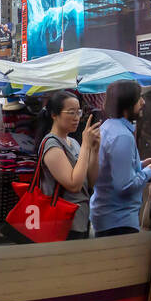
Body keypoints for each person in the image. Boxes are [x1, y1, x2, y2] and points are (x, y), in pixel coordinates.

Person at [90, 80, 151, 237]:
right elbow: (125, 186)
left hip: (108, 218)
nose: (143, 102)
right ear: (127, 103)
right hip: (118, 222)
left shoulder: (109, 127)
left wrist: (141, 165)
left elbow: (111, 170)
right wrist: (149, 172)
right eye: (139, 98)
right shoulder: (122, 136)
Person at [38, 92, 100, 240]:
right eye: (71, 112)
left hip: (81, 219)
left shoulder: (74, 143)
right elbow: (74, 185)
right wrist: (86, 145)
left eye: (79, 112)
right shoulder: (51, 144)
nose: (77, 117)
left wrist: (95, 150)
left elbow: (90, 182)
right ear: (54, 115)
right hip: (63, 222)